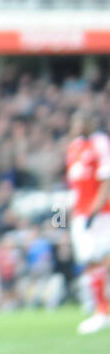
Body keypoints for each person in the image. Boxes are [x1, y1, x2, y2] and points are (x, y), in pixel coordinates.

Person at [65, 113, 110, 334]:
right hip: (80, 214)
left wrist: (95, 210)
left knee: (100, 258)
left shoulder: (99, 143)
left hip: (99, 213)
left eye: (79, 122)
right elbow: (72, 187)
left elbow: (106, 180)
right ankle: (100, 308)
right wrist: (62, 220)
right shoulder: (74, 148)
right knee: (89, 260)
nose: (75, 126)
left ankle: (102, 310)